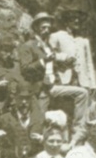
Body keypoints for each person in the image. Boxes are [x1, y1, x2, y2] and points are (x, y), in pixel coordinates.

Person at [17, 12, 89, 145]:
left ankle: (78, 131)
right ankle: (33, 146)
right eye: (43, 28)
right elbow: (25, 69)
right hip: (39, 88)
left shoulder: (47, 46)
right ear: (36, 28)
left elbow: (54, 62)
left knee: (82, 93)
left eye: (48, 28)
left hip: (53, 86)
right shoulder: (28, 46)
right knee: (38, 120)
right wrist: (44, 61)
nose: (46, 31)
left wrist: (64, 60)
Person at [0, 78, 45, 158]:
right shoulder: (5, 119)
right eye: (21, 98)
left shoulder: (39, 119)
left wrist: (43, 139)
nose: (24, 102)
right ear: (15, 99)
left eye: (27, 99)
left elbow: (53, 138)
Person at [49, 7, 96, 94]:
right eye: (73, 18)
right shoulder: (56, 36)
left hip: (82, 82)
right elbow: (49, 55)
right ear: (66, 21)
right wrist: (63, 58)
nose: (76, 21)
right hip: (64, 79)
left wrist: (93, 84)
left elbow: (89, 63)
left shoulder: (84, 41)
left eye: (78, 19)